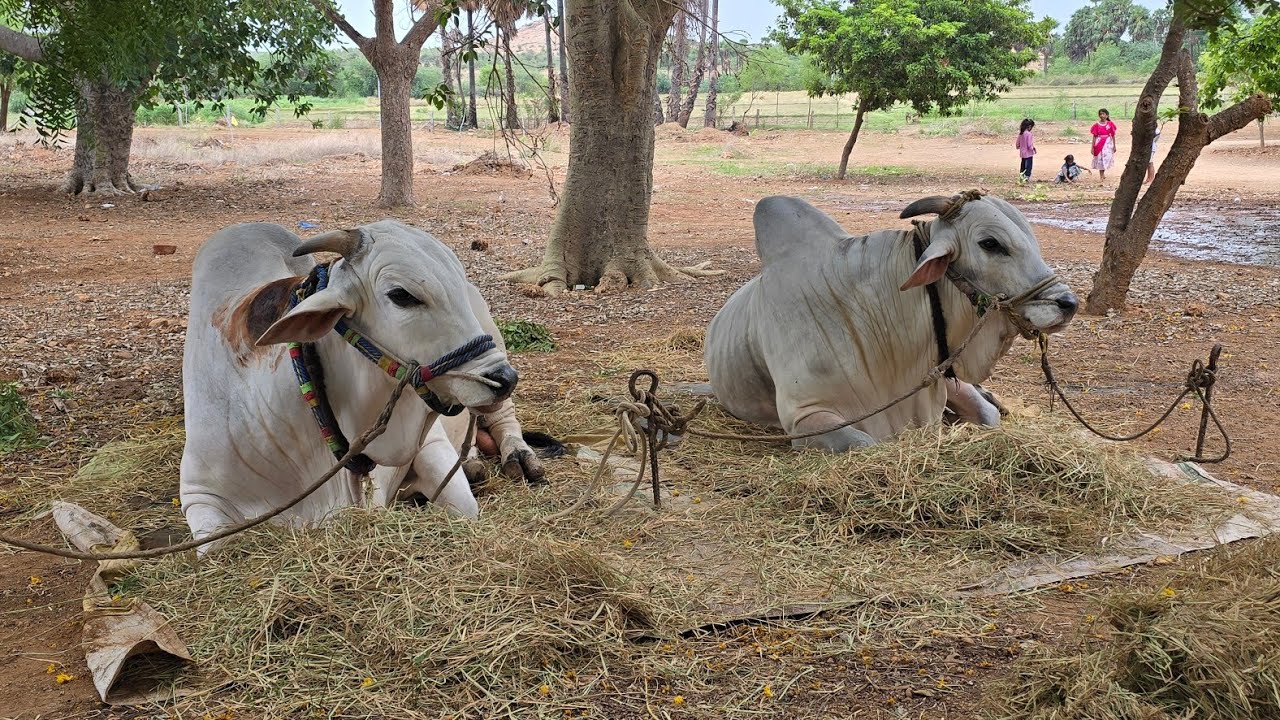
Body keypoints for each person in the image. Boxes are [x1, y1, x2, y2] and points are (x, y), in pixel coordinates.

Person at [1090, 108, 1118, 182]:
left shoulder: (1110, 124)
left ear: (1107, 115)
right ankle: (1101, 176)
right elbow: (1094, 136)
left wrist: (1114, 145)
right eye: (1100, 114)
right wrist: (1092, 147)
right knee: (1100, 159)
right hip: (1099, 143)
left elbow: (1113, 135)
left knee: (1106, 158)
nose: (1102, 115)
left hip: (1107, 143)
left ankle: (1103, 173)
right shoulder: (1096, 125)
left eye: (1103, 114)